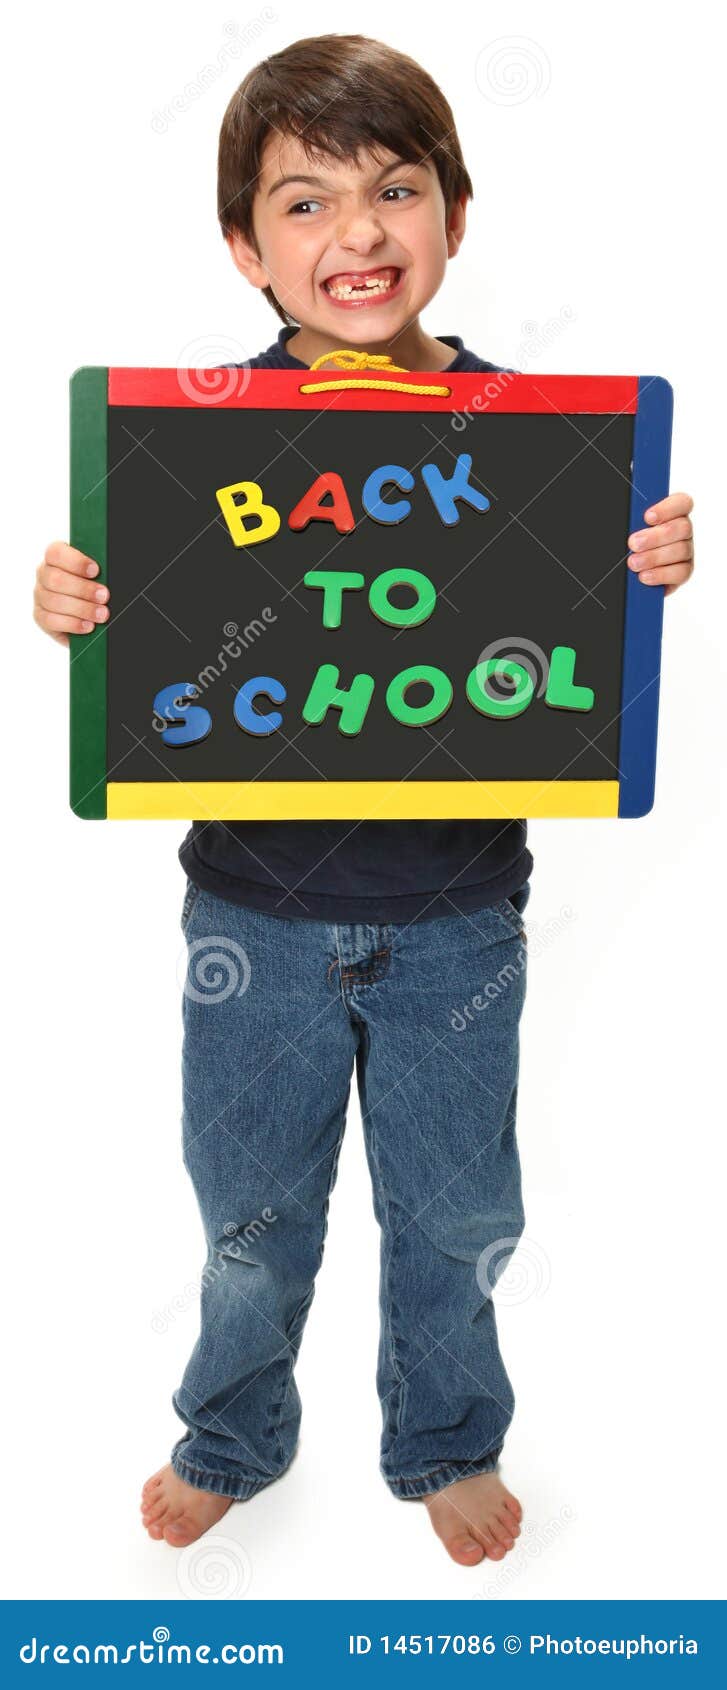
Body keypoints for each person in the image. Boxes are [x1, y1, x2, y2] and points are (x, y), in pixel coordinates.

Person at [33, 35, 695, 1565]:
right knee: (250, 1222)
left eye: (397, 191)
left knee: (459, 1221)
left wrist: (641, 561)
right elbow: (148, 618)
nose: (360, 236)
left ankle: (448, 1435)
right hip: (248, 918)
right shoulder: (185, 443)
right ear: (245, 247)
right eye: (308, 203)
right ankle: (232, 1430)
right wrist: (76, 597)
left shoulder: (538, 444)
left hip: (460, 918)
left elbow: (577, 618)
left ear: (457, 215)